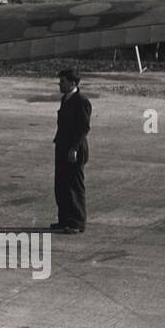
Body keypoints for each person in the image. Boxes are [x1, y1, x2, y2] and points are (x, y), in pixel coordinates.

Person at [51, 68, 91, 234]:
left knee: (74, 186)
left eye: (63, 82)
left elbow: (83, 127)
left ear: (73, 83)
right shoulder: (66, 99)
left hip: (74, 150)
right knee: (61, 185)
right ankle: (65, 220)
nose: (60, 84)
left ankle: (77, 222)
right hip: (62, 147)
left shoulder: (81, 101)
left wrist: (74, 148)